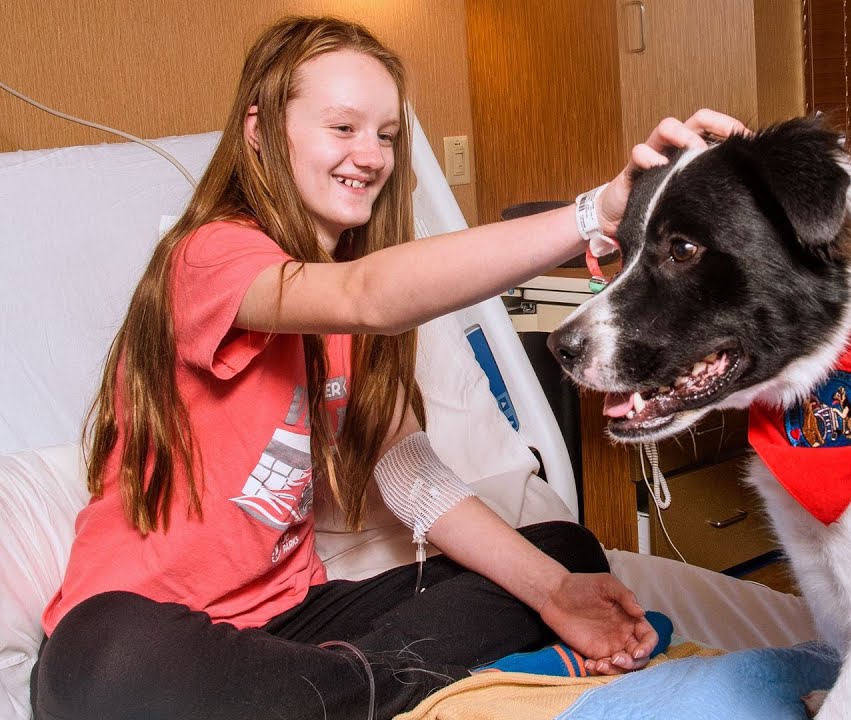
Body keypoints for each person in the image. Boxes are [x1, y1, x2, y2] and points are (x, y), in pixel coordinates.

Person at [29, 16, 745, 720]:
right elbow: (366, 296)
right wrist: (595, 213)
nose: (369, 155)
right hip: (140, 632)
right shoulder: (211, 255)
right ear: (260, 130)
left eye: (386, 135)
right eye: (342, 128)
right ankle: (363, 686)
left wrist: (556, 591)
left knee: (566, 551)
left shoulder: (346, 309)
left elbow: (412, 477)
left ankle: (339, 690)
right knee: (100, 671)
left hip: (287, 625)